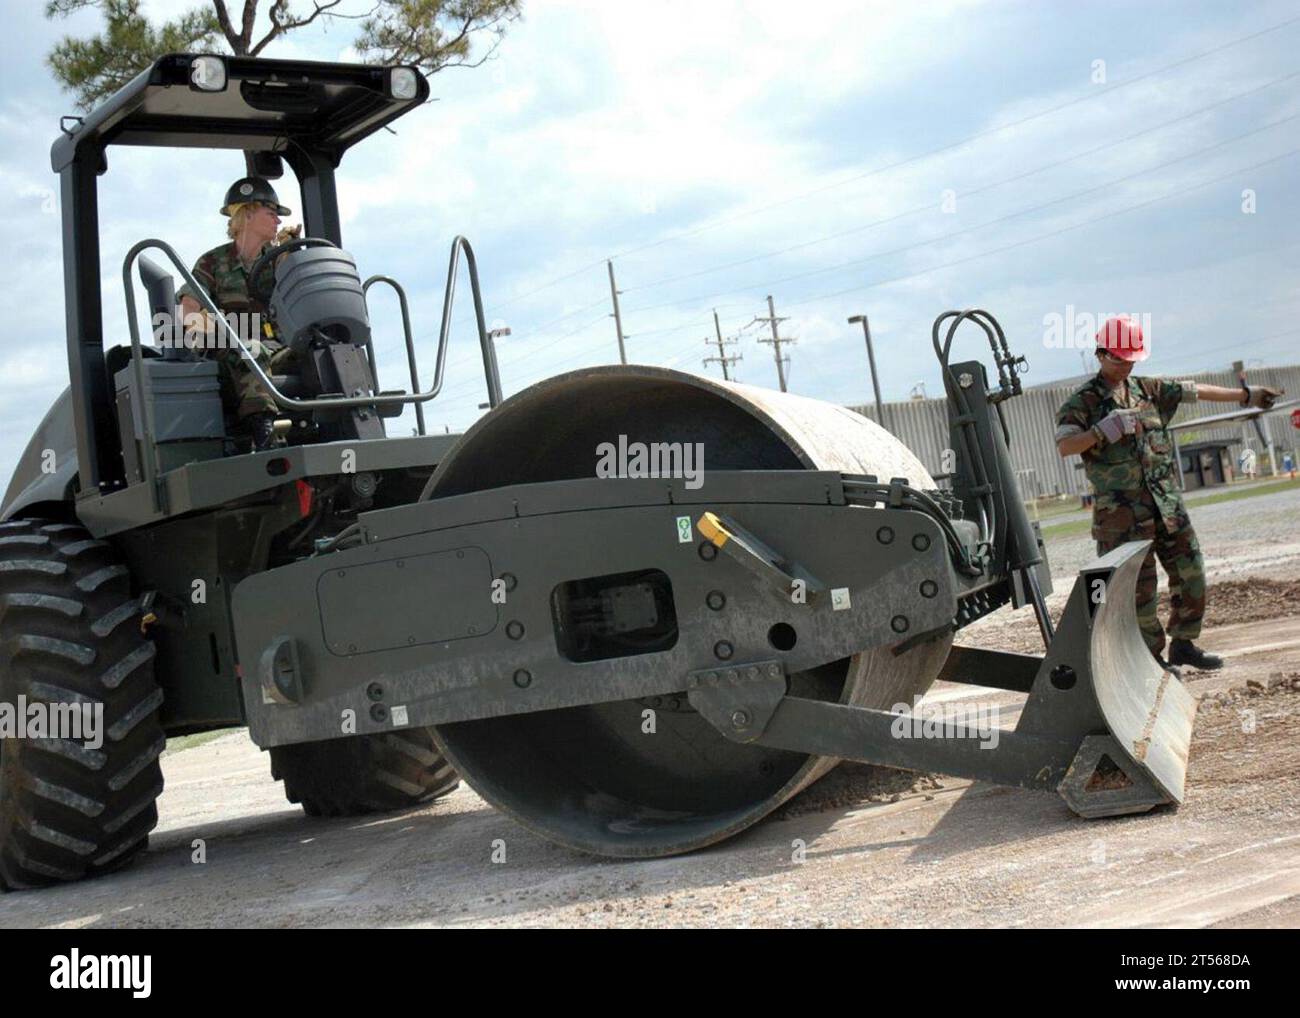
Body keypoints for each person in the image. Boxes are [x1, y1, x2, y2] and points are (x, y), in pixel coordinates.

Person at [1055, 316, 1284, 670]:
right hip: (1122, 517)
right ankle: (1149, 660)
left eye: (1131, 358)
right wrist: (1100, 432)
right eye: (1119, 358)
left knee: (1191, 571)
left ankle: (1184, 644)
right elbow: (1066, 446)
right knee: (1138, 591)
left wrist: (1246, 395)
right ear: (1100, 355)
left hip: (1167, 507)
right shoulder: (1081, 403)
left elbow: (1194, 390)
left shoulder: (1149, 390)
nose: (1126, 364)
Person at [178, 176, 300, 450]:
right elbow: (189, 312)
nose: (278, 222)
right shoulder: (213, 262)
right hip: (231, 357)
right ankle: (266, 435)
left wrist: (292, 257)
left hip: (275, 350)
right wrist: (219, 333)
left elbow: (300, 300)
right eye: (271, 214)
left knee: (321, 350)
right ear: (246, 214)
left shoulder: (278, 259)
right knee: (251, 349)